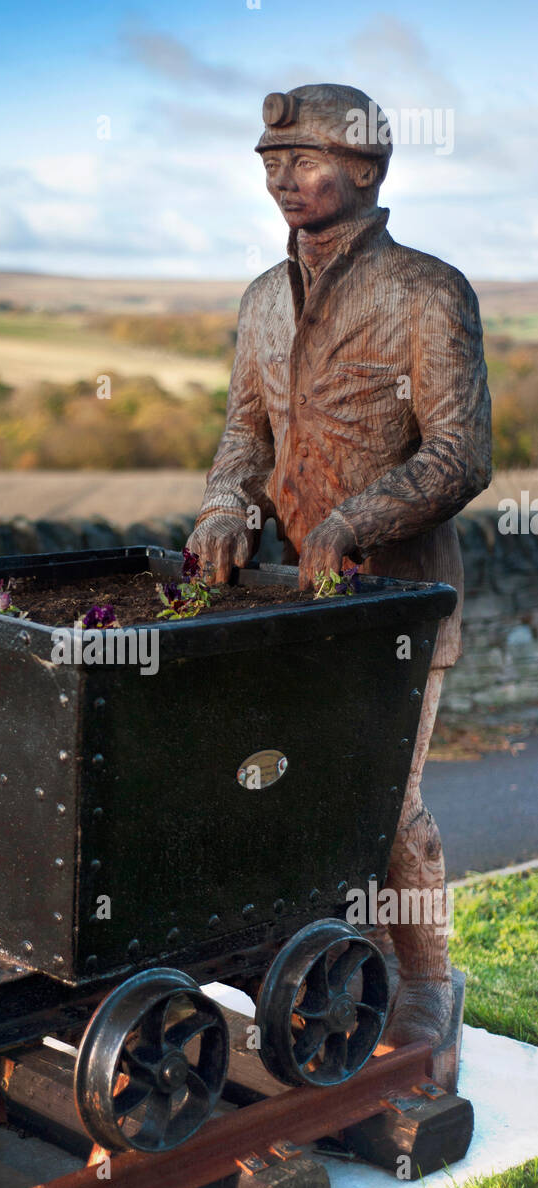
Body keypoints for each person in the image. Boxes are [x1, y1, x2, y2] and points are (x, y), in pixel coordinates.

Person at [187, 84, 492, 1050]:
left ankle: (425, 991)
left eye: (304, 160)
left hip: (399, 601)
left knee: (386, 804)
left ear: (364, 168)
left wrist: (360, 515)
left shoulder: (425, 291)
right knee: (292, 793)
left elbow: (460, 451)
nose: (281, 179)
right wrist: (223, 504)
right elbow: (243, 436)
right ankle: (332, 964)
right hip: (285, 602)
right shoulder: (259, 303)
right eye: (269, 162)